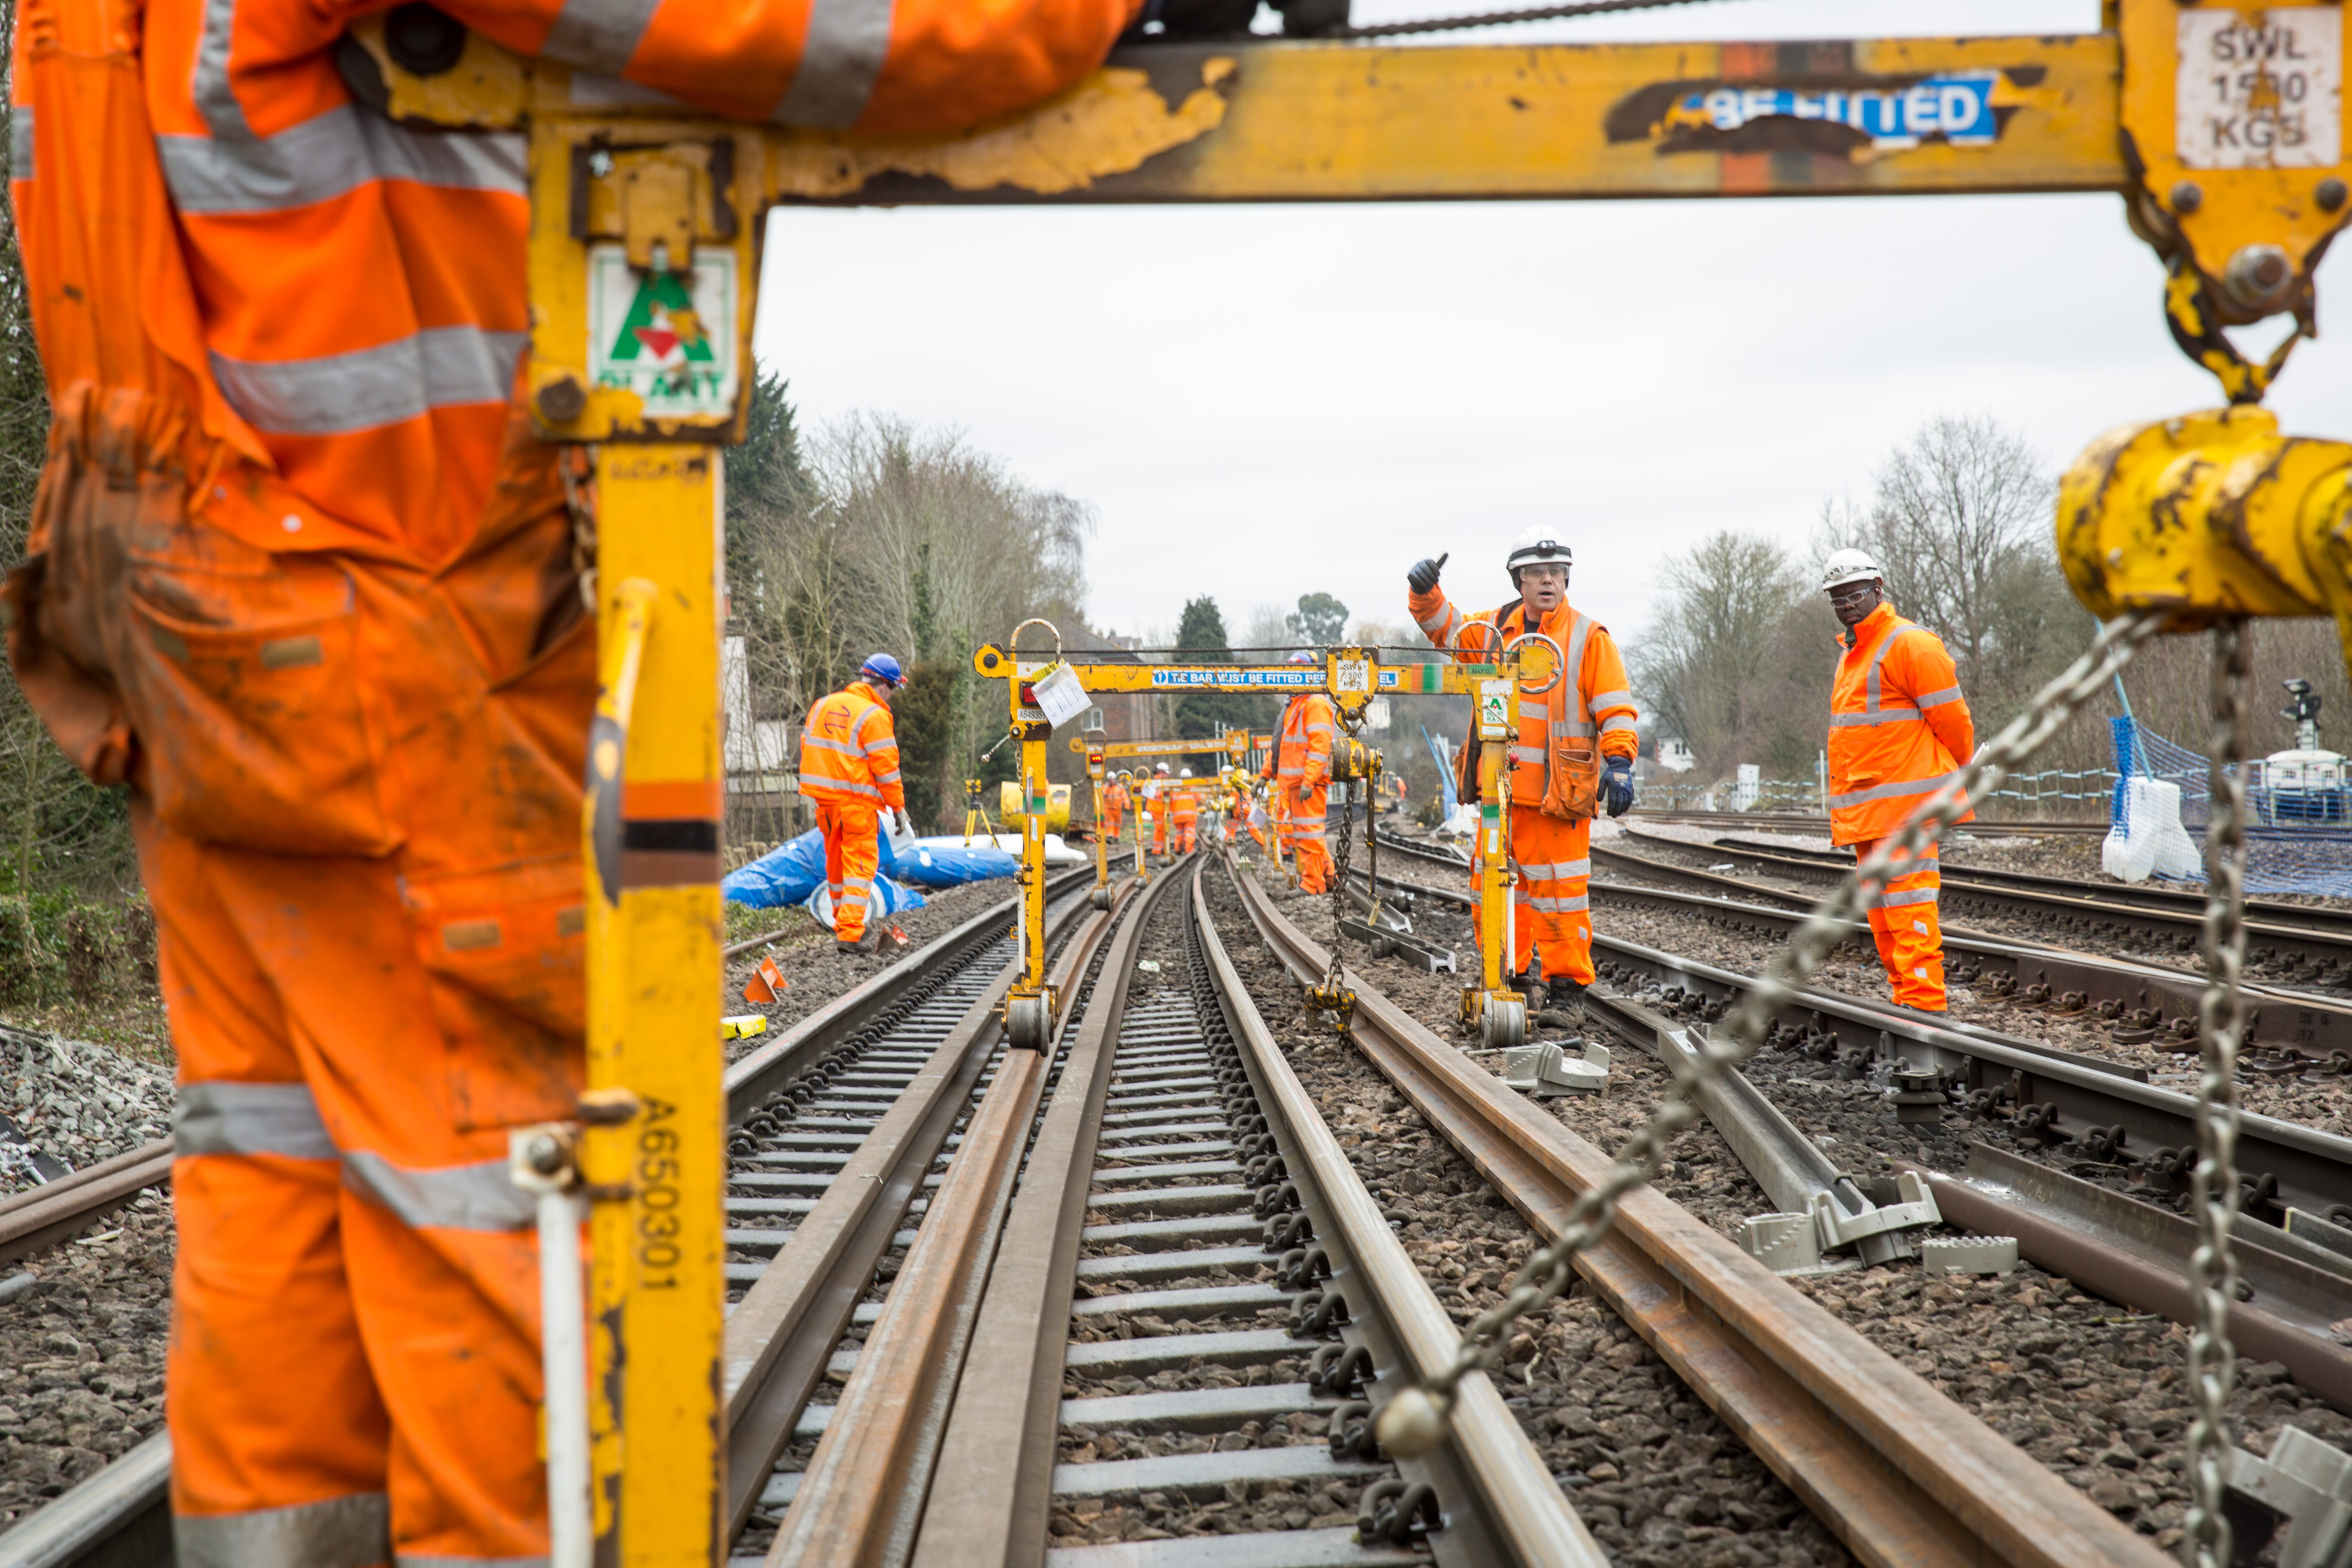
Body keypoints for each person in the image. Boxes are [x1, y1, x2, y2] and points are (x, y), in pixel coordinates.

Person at [3, 0, 1135, 1556]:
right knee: (490, 1216)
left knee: (277, 1196)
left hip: (197, 644)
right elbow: (851, 29)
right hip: (403, 671)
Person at [1408, 531, 1639, 1013]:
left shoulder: (1586, 638)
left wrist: (1619, 761)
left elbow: (1615, 708)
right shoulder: (1493, 631)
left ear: (1566, 579)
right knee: (1491, 888)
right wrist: (1425, 592)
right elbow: (1442, 627)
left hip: (1557, 796)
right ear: (1519, 580)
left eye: (1556, 573)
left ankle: (1566, 994)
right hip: (1500, 795)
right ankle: (1512, 976)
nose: (1547, 581)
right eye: (1536, 573)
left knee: (1560, 898)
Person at [1819, 550, 1975, 1012]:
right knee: (1884, 918)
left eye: (1855, 594)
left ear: (1878, 588)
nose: (1847, 604)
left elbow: (1953, 723)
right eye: (1837, 598)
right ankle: (1907, 1002)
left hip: (1907, 812)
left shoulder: (1909, 644)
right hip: (1870, 812)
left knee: (1908, 910)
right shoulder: (1852, 653)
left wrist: (1956, 772)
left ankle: (1925, 1009)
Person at [801, 655, 915, 957]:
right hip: (856, 807)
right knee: (859, 868)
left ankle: (842, 926)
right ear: (887, 686)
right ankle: (850, 934)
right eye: (894, 690)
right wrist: (897, 807)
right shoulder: (874, 715)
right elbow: (887, 769)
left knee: (836, 866)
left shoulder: (822, 705)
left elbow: (808, 746)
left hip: (825, 805)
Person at [1266, 653, 1338, 893]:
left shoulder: (1315, 703)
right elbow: (1281, 747)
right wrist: (1264, 775)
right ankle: (1328, 878)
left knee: (1309, 835)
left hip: (1308, 784)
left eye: (1299, 669)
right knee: (1307, 834)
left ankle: (1312, 884)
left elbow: (1320, 747)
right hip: (1298, 782)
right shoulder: (1295, 706)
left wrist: (1309, 780)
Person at [1147, 761, 1174, 854]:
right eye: (1165, 773)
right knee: (1160, 829)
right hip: (1157, 809)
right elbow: (1156, 795)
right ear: (1161, 772)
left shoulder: (1160, 782)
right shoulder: (1156, 783)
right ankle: (1157, 850)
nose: (1166, 775)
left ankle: (1162, 848)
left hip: (1160, 810)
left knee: (1163, 829)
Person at [1172, 768, 1202, 853]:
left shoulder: (1176, 789)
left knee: (1179, 834)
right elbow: (1199, 798)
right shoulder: (1193, 788)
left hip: (1178, 816)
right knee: (1189, 833)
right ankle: (1189, 850)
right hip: (1190, 816)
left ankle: (1178, 849)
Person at [1103, 773, 1130, 841]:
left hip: (1118, 808)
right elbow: (1103, 794)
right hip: (1108, 808)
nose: (1112, 781)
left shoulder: (1119, 787)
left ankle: (1116, 837)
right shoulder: (1105, 787)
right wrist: (1107, 786)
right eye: (1110, 780)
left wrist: (1127, 805)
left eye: (1113, 779)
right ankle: (1110, 836)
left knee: (1117, 823)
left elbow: (1124, 796)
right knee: (1110, 823)